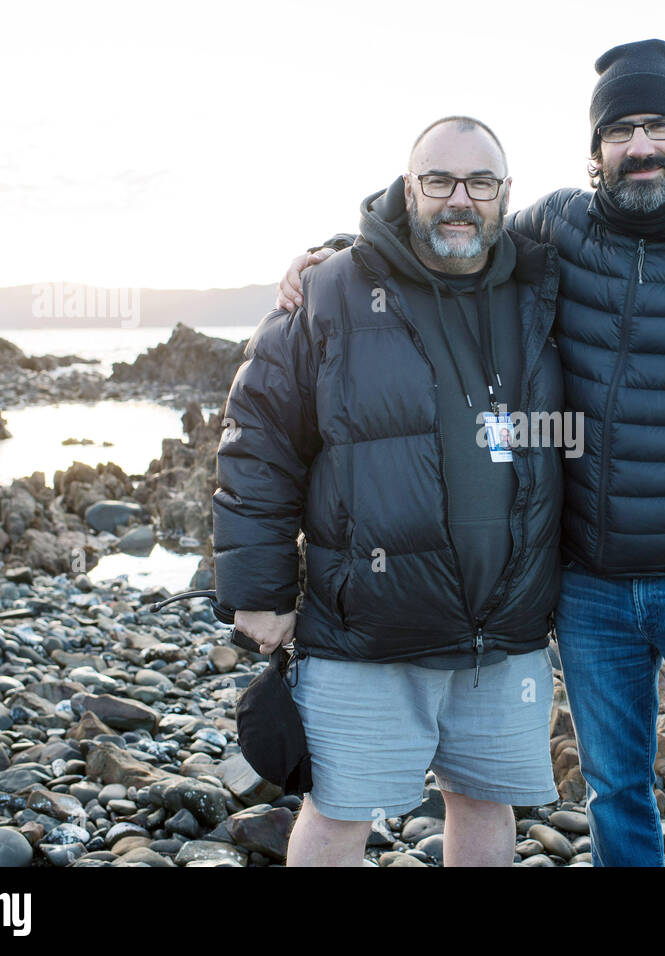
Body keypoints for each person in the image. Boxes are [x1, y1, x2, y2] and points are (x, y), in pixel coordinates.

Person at [277, 39, 665, 867]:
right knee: (615, 792)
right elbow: (447, 240)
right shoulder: (558, 229)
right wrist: (337, 251)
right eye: (620, 132)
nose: (640, 146)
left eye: (659, 125)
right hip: (588, 585)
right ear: (597, 151)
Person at [215, 116, 565, 867]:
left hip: (501, 633)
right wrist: (258, 591)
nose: (459, 199)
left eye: (480, 182)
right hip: (367, 629)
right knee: (340, 811)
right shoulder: (331, 292)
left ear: (508, 194)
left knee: (484, 803)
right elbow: (258, 440)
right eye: (439, 180)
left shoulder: (542, 285)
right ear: (409, 188)